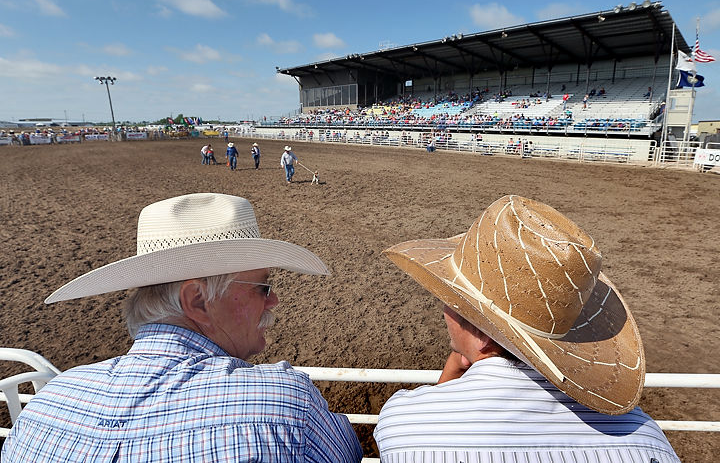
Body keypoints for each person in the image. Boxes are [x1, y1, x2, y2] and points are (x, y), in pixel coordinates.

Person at [1, 193, 363, 463]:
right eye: (262, 288)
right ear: (198, 302)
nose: (273, 301)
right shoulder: (285, 406)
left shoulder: (44, 409)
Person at [374, 195, 680, 462]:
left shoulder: (406, 425)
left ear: (482, 335)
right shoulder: (649, 440)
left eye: (450, 300)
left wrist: (459, 366)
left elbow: (435, 418)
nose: (443, 308)